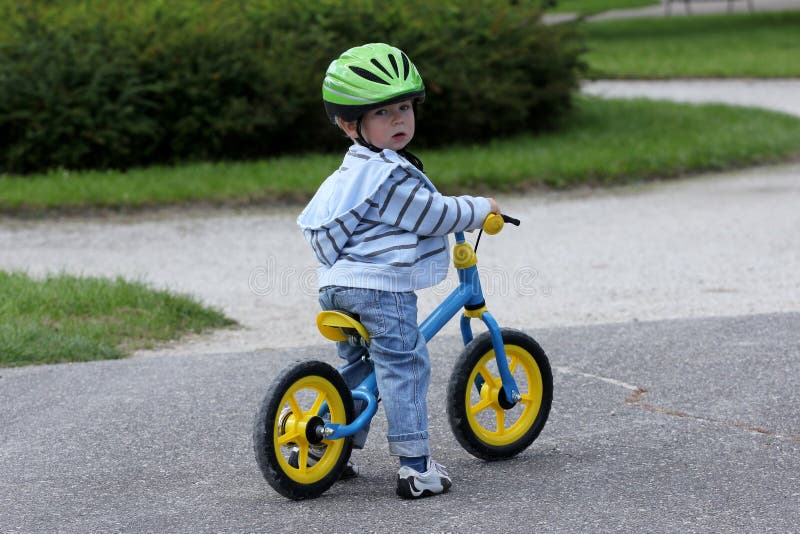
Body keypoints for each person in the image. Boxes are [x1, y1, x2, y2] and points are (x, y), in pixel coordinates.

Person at [297, 43, 500, 499]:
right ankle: (415, 467)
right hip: (377, 291)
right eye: (384, 113)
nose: (400, 120)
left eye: (405, 108)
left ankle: (330, 448)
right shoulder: (389, 177)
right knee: (404, 363)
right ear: (350, 125)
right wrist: (480, 207)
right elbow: (433, 215)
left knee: (358, 367)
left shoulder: (353, 170)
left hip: (337, 288)